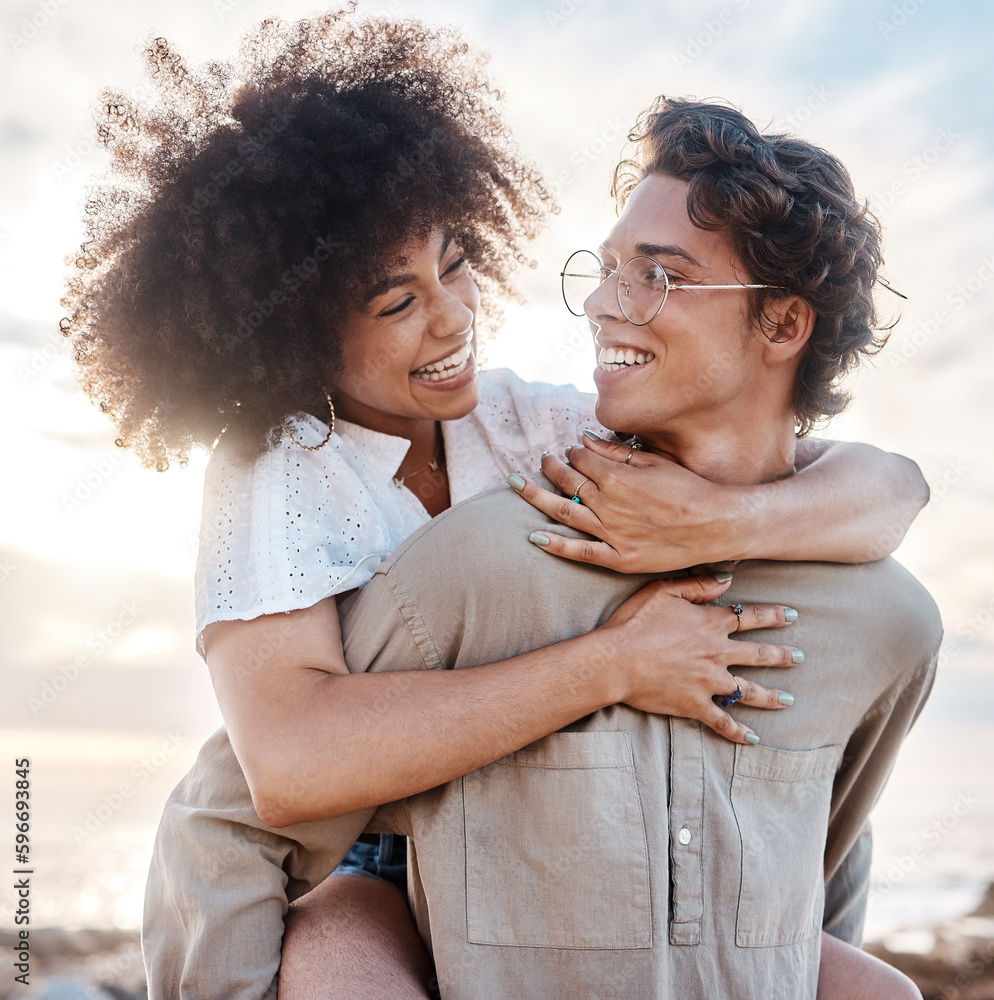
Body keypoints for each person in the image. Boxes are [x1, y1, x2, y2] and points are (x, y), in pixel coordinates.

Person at [59, 12, 926, 999]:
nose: (452, 317)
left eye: (457, 261)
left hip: (520, 824)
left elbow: (880, 485)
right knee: (341, 946)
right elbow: (294, 768)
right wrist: (613, 664)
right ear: (295, 335)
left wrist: (724, 525)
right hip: (361, 848)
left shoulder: (523, 425)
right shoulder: (279, 474)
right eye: (395, 302)